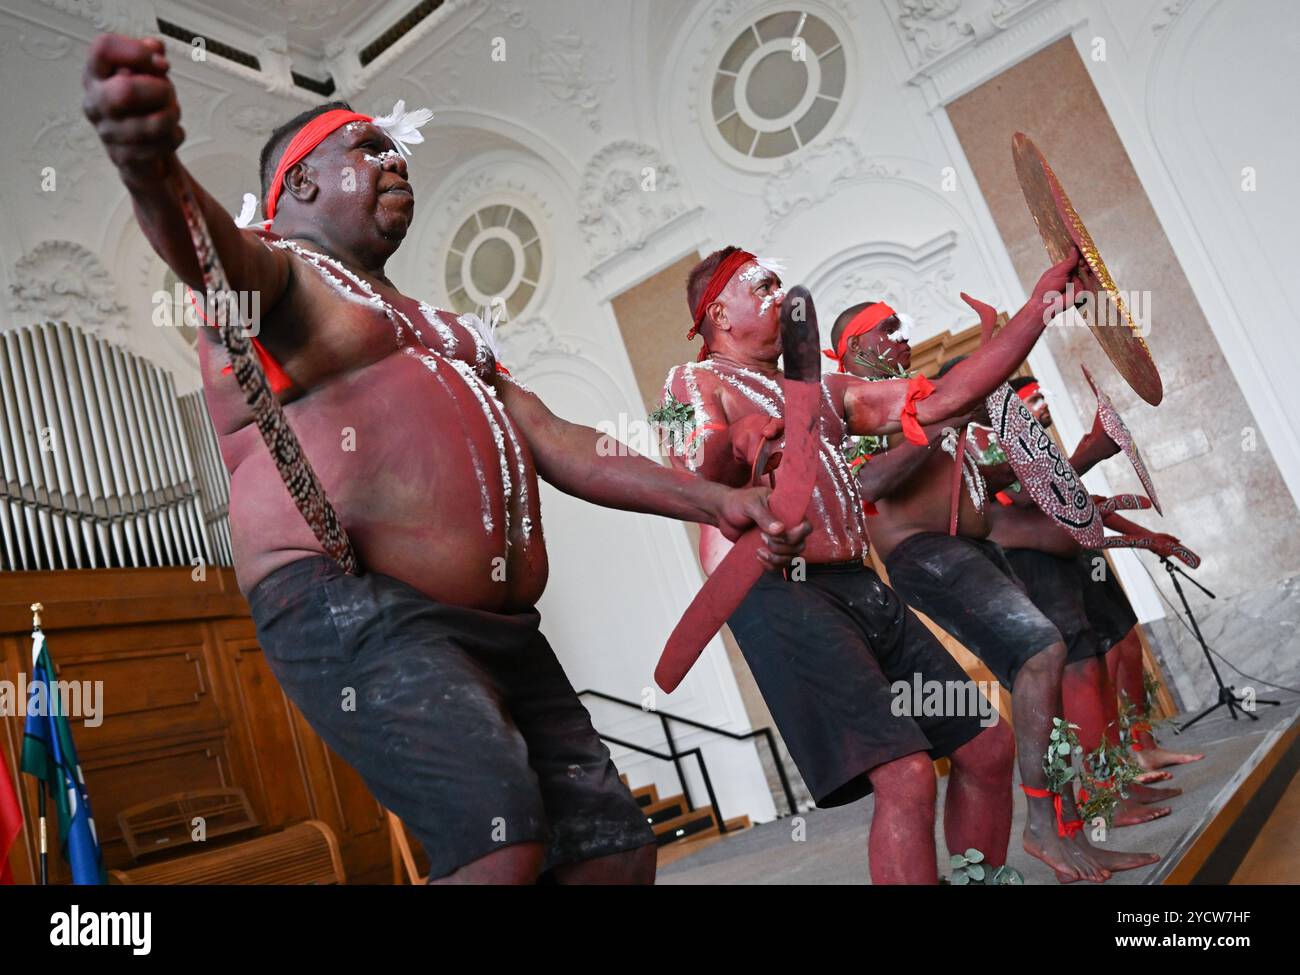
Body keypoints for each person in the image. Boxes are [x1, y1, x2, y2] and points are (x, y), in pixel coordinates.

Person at [83, 34, 816, 884]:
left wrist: (708, 500)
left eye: (396, 152)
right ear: (303, 182)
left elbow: (558, 436)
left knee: (615, 855)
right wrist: (151, 168)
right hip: (351, 600)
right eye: (369, 147)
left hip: (500, 627)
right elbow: (202, 246)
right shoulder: (278, 275)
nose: (395, 162)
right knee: (498, 845)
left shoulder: (439, 324)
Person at [654, 245, 1081, 882]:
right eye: (762, 286)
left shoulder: (825, 389)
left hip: (859, 583)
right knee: (906, 774)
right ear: (719, 313)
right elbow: (689, 467)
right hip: (778, 593)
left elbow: (944, 397)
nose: (781, 292)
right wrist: (737, 441)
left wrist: (1041, 305)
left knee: (986, 748)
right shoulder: (687, 383)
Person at [852, 320, 1160, 882]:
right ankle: (1045, 826)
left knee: (1042, 665)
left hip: (971, 545)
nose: (901, 335)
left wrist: (1066, 461)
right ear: (853, 348)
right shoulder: (857, 406)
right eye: (886, 328)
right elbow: (868, 487)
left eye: (900, 325)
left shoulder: (912, 400)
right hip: (926, 555)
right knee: (1043, 652)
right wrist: (944, 421)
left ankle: (1065, 826)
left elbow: (971, 480)